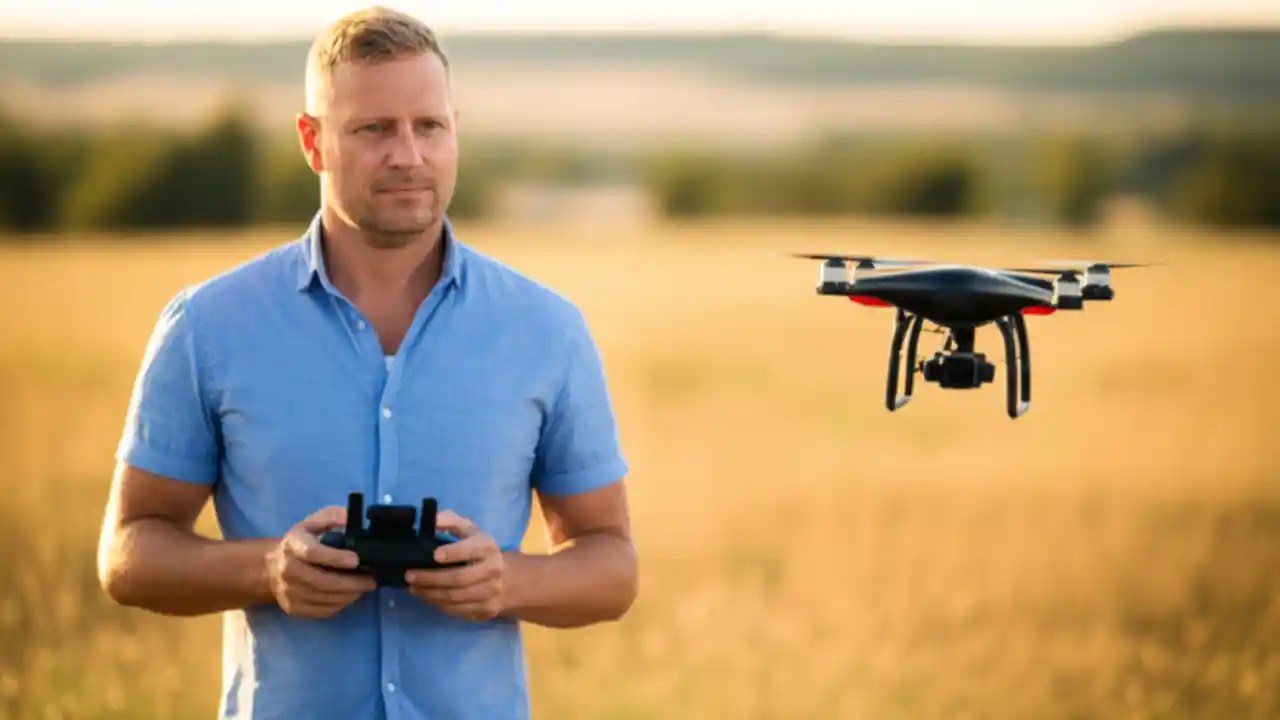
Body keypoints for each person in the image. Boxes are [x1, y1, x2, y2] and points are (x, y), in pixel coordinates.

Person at [95, 6, 637, 719]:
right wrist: (267, 570)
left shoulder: (546, 330)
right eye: (374, 128)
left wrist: (506, 581)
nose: (408, 154)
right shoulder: (208, 325)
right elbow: (129, 553)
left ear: (455, 131)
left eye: (429, 126)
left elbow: (611, 564)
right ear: (313, 141)